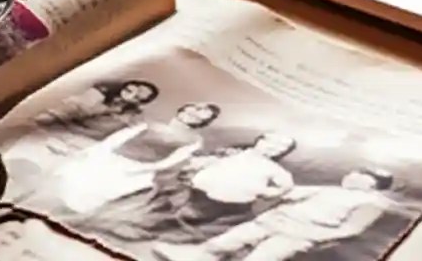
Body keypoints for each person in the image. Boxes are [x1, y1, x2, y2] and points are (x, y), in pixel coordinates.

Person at [153, 168, 394, 261]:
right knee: (224, 242)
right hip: (275, 218)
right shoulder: (329, 189)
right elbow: (289, 192)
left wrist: (306, 233)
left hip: (302, 232)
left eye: (364, 176)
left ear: (374, 185)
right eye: (353, 173)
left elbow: (351, 229)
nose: (353, 177)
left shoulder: (373, 202)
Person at [53, 102, 221, 216]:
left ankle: (69, 212)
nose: (195, 115)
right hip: (111, 157)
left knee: (97, 194)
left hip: (138, 170)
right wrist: (99, 153)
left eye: (203, 115)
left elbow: (169, 162)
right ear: (185, 109)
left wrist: (137, 169)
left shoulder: (194, 141)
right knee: (75, 177)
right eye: (195, 109)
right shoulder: (151, 124)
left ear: (205, 121)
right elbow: (115, 140)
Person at [143, 133, 297, 243]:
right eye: (272, 141)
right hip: (196, 193)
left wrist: (267, 193)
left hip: (230, 205)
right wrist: (191, 170)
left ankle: (188, 233)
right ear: (260, 140)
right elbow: (199, 161)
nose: (275, 147)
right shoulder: (232, 154)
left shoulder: (273, 169)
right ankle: (166, 224)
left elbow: (286, 186)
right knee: (174, 208)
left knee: (208, 224)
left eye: (282, 147)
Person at [34, 79, 159, 144]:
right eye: (138, 88)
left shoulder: (128, 114)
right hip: (65, 119)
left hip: (81, 134)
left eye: (139, 96)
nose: (134, 93)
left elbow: (103, 131)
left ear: (138, 102)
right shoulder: (103, 91)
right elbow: (77, 105)